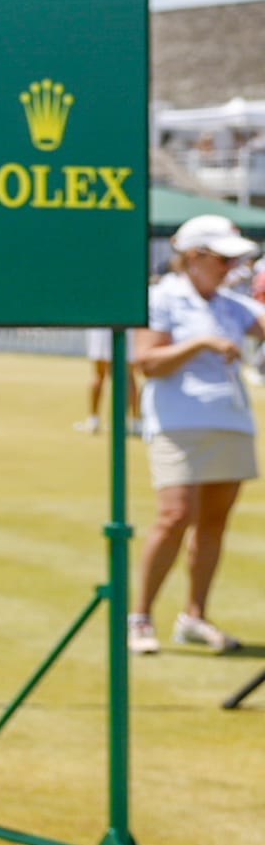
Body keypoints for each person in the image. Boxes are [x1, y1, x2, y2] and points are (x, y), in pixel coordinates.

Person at [132, 213, 265, 654]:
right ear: (193, 256)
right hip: (178, 423)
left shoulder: (231, 304)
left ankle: (195, 616)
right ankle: (141, 617)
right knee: (174, 517)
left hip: (229, 419)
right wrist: (201, 344)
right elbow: (147, 362)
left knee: (214, 523)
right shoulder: (161, 297)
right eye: (222, 260)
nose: (230, 269)